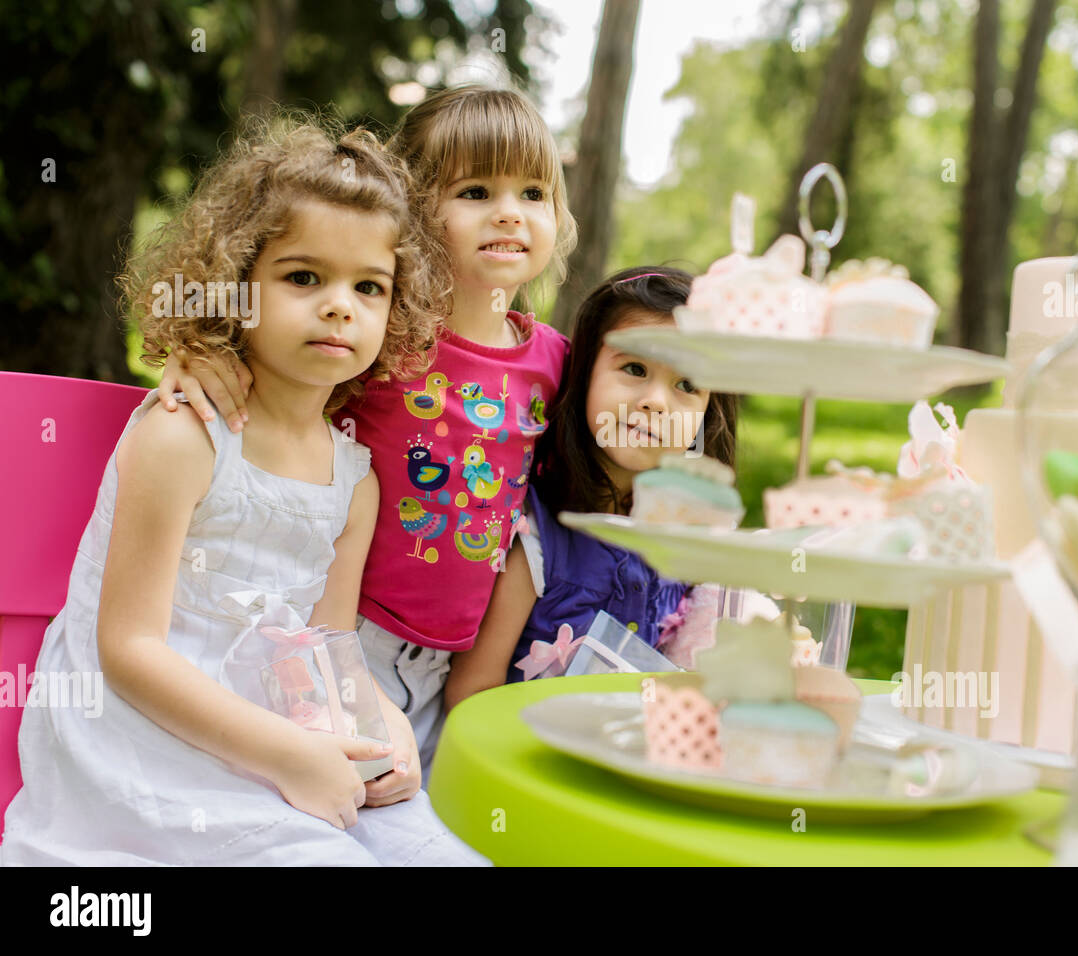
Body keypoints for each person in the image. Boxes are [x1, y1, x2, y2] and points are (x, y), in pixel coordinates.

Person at [1, 118, 485, 865]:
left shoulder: (354, 480)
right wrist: (289, 757)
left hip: (281, 725)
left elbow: (330, 651)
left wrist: (384, 722)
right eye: (302, 277)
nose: (338, 305)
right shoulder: (186, 433)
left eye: (369, 287)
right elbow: (129, 649)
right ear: (236, 285)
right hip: (146, 735)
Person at [154, 86, 575, 775]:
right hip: (347, 641)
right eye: (475, 191)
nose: (508, 213)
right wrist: (197, 356)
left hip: (455, 666)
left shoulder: (553, 361)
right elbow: (274, 356)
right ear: (414, 214)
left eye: (534, 193)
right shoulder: (383, 336)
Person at [442, 267, 739, 707]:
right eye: (635, 368)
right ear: (585, 375)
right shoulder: (536, 539)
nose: (655, 402)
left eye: (687, 384)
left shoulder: (689, 536)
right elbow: (471, 695)